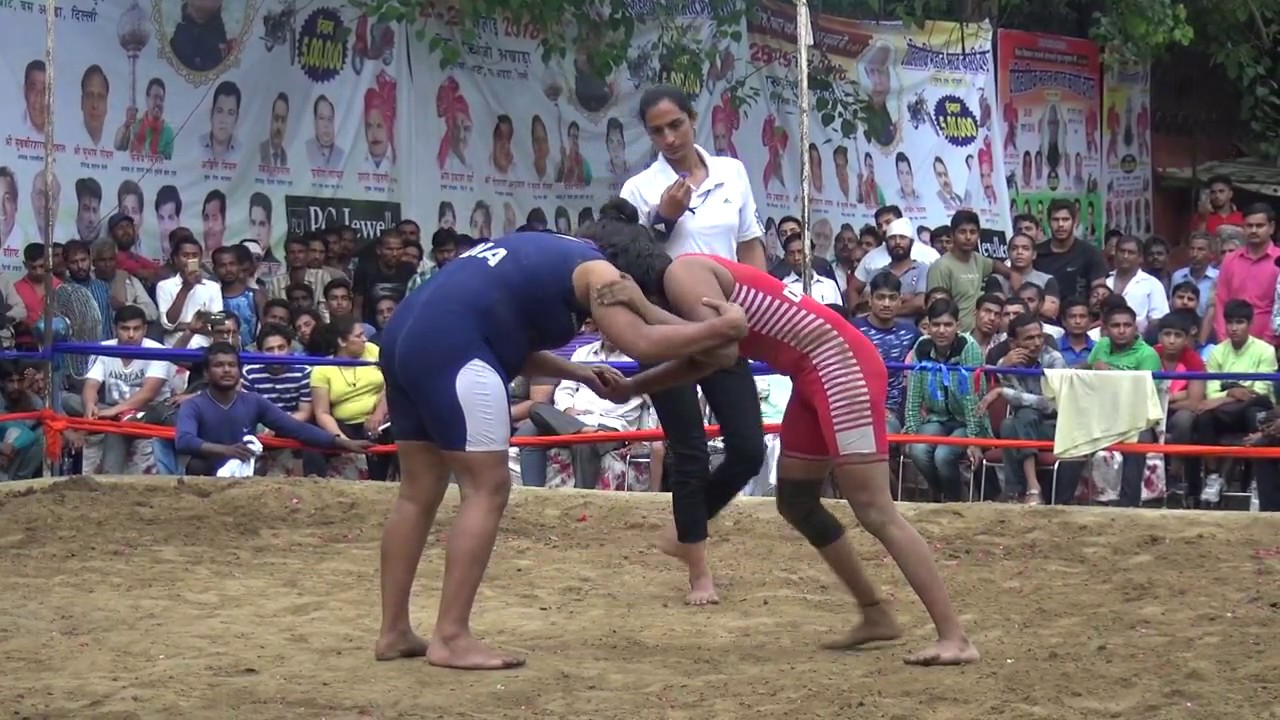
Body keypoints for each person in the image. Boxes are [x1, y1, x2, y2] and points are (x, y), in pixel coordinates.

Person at [375, 216, 748, 671]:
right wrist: (724, 327)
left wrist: (576, 372)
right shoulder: (600, 272)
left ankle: (393, 630)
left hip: (406, 336)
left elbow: (504, 338)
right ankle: (451, 636)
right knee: (487, 488)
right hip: (453, 345)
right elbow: (646, 344)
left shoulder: (542, 251)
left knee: (418, 492)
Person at [593, 226, 979, 666]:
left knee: (875, 510)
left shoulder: (684, 274)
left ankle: (955, 636)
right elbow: (705, 357)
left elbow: (722, 349)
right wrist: (634, 387)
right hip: (815, 368)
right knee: (796, 500)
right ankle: (875, 613)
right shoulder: (685, 279)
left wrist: (641, 309)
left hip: (839, 366)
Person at [620, 85, 769, 605]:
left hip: (726, 324)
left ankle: (687, 529)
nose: (668, 138)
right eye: (657, 130)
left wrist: (759, 303)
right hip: (664, 328)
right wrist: (662, 218)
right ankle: (699, 572)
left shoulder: (733, 173)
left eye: (675, 125)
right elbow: (631, 263)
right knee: (687, 450)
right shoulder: (638, 189)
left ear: (692, 119)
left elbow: (750, 242)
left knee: (748, 449)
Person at [174, 343, 372, 476]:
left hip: (247, 470)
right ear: (207, 373)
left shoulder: (253, 401)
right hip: (207, 473)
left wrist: (340, 442)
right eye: (219, 365)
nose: (226, 370)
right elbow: (184, 440)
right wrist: (227, 450)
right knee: (196, 465)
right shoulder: (194, 404)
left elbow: (294, 428)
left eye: (231, 365)